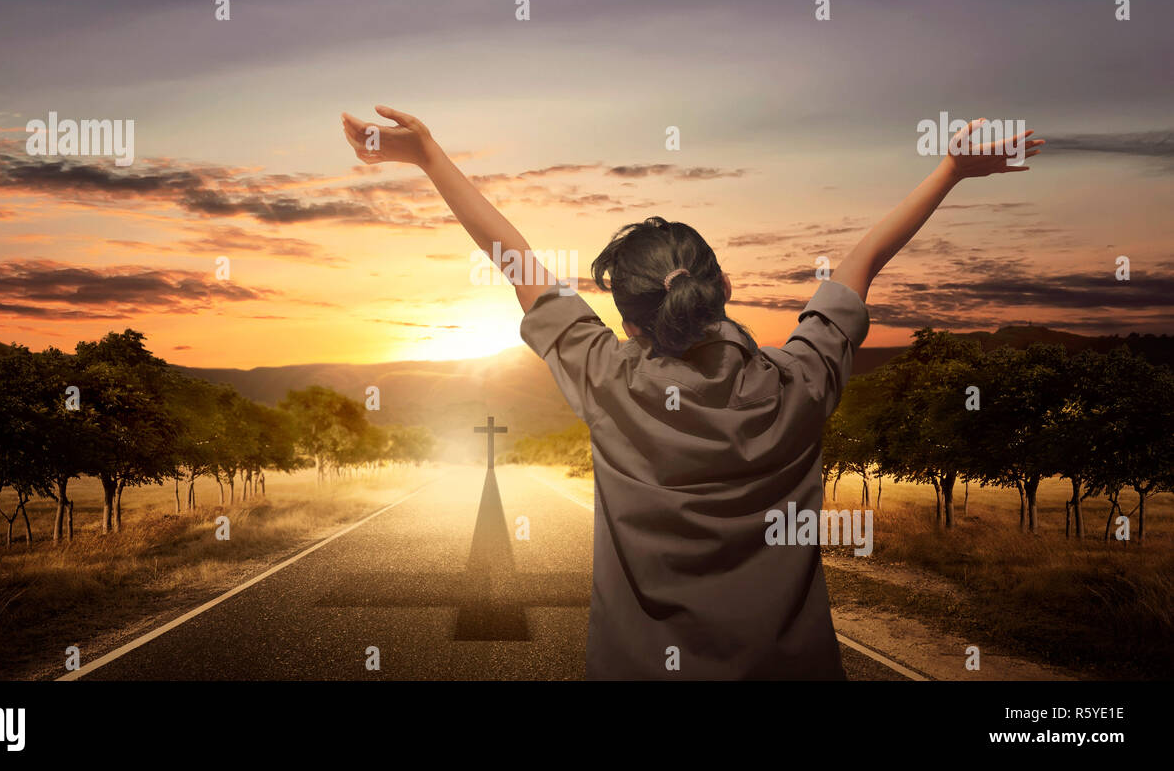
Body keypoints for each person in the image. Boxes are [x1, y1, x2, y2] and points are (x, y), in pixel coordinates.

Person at [341, 106, 1043, 679]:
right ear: (721, 289)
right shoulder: (799, 382)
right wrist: (951, 169)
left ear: (625, 316)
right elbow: (861, 264)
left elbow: (516, 260)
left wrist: (429, 156)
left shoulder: (608, 381)